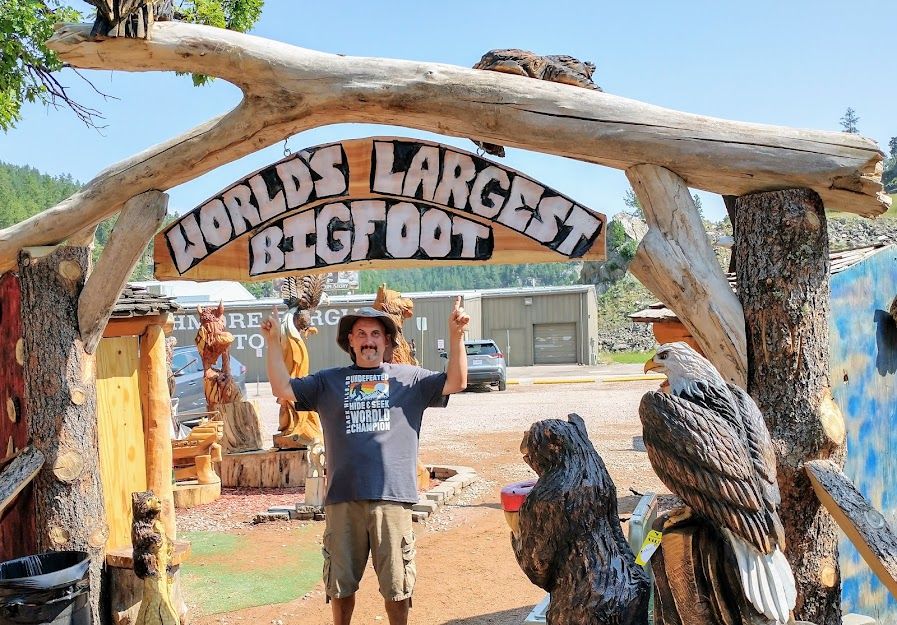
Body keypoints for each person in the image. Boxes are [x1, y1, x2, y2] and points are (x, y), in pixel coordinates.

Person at [261, 295, 470, 625]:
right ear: (350, 341)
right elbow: (283, 387)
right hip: (343, 499)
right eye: (361, 334)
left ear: (386, 341)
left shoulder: (410, 379)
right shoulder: (328, 382)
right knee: (341, 584)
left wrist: (456, 337)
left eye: (375, 334)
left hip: (393, 499)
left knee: (397, 585)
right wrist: (273, 343)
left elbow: (457, 382)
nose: (368, 340)